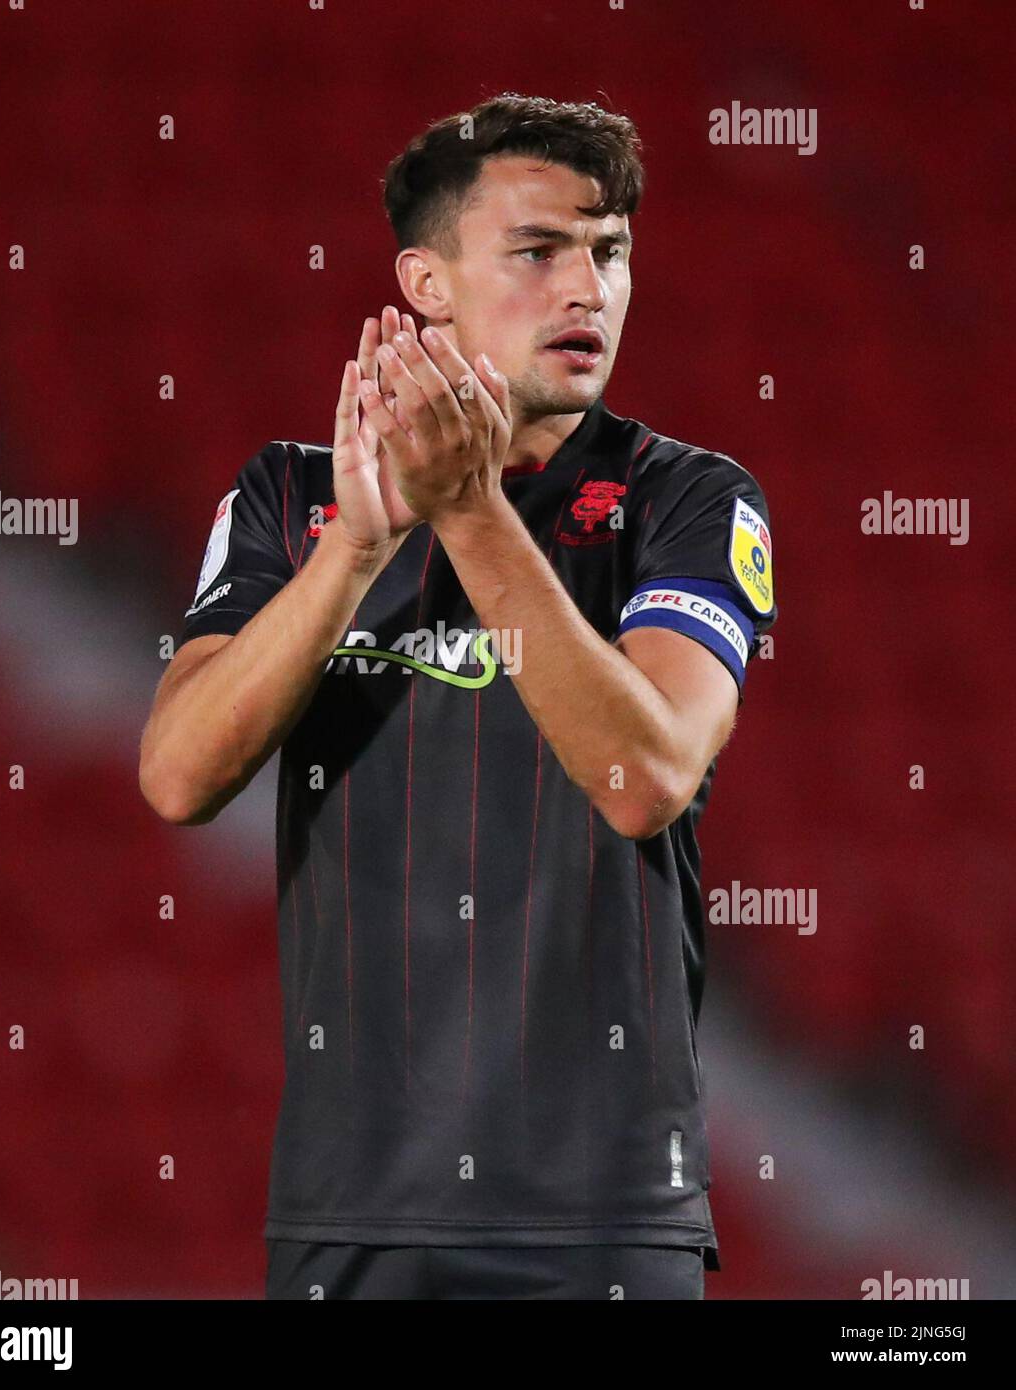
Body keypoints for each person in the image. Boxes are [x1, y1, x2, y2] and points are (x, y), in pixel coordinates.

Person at [139, 92, 778, 1301]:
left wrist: (468, 512)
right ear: (426, 283)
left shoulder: (690, 501)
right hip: (351, 1208)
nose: (587, 287)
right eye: (540, 251)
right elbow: (178, 774)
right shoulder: (291, 497)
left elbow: (647, 780)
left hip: (604, 1217)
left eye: (611, 251)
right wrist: (354, 553)